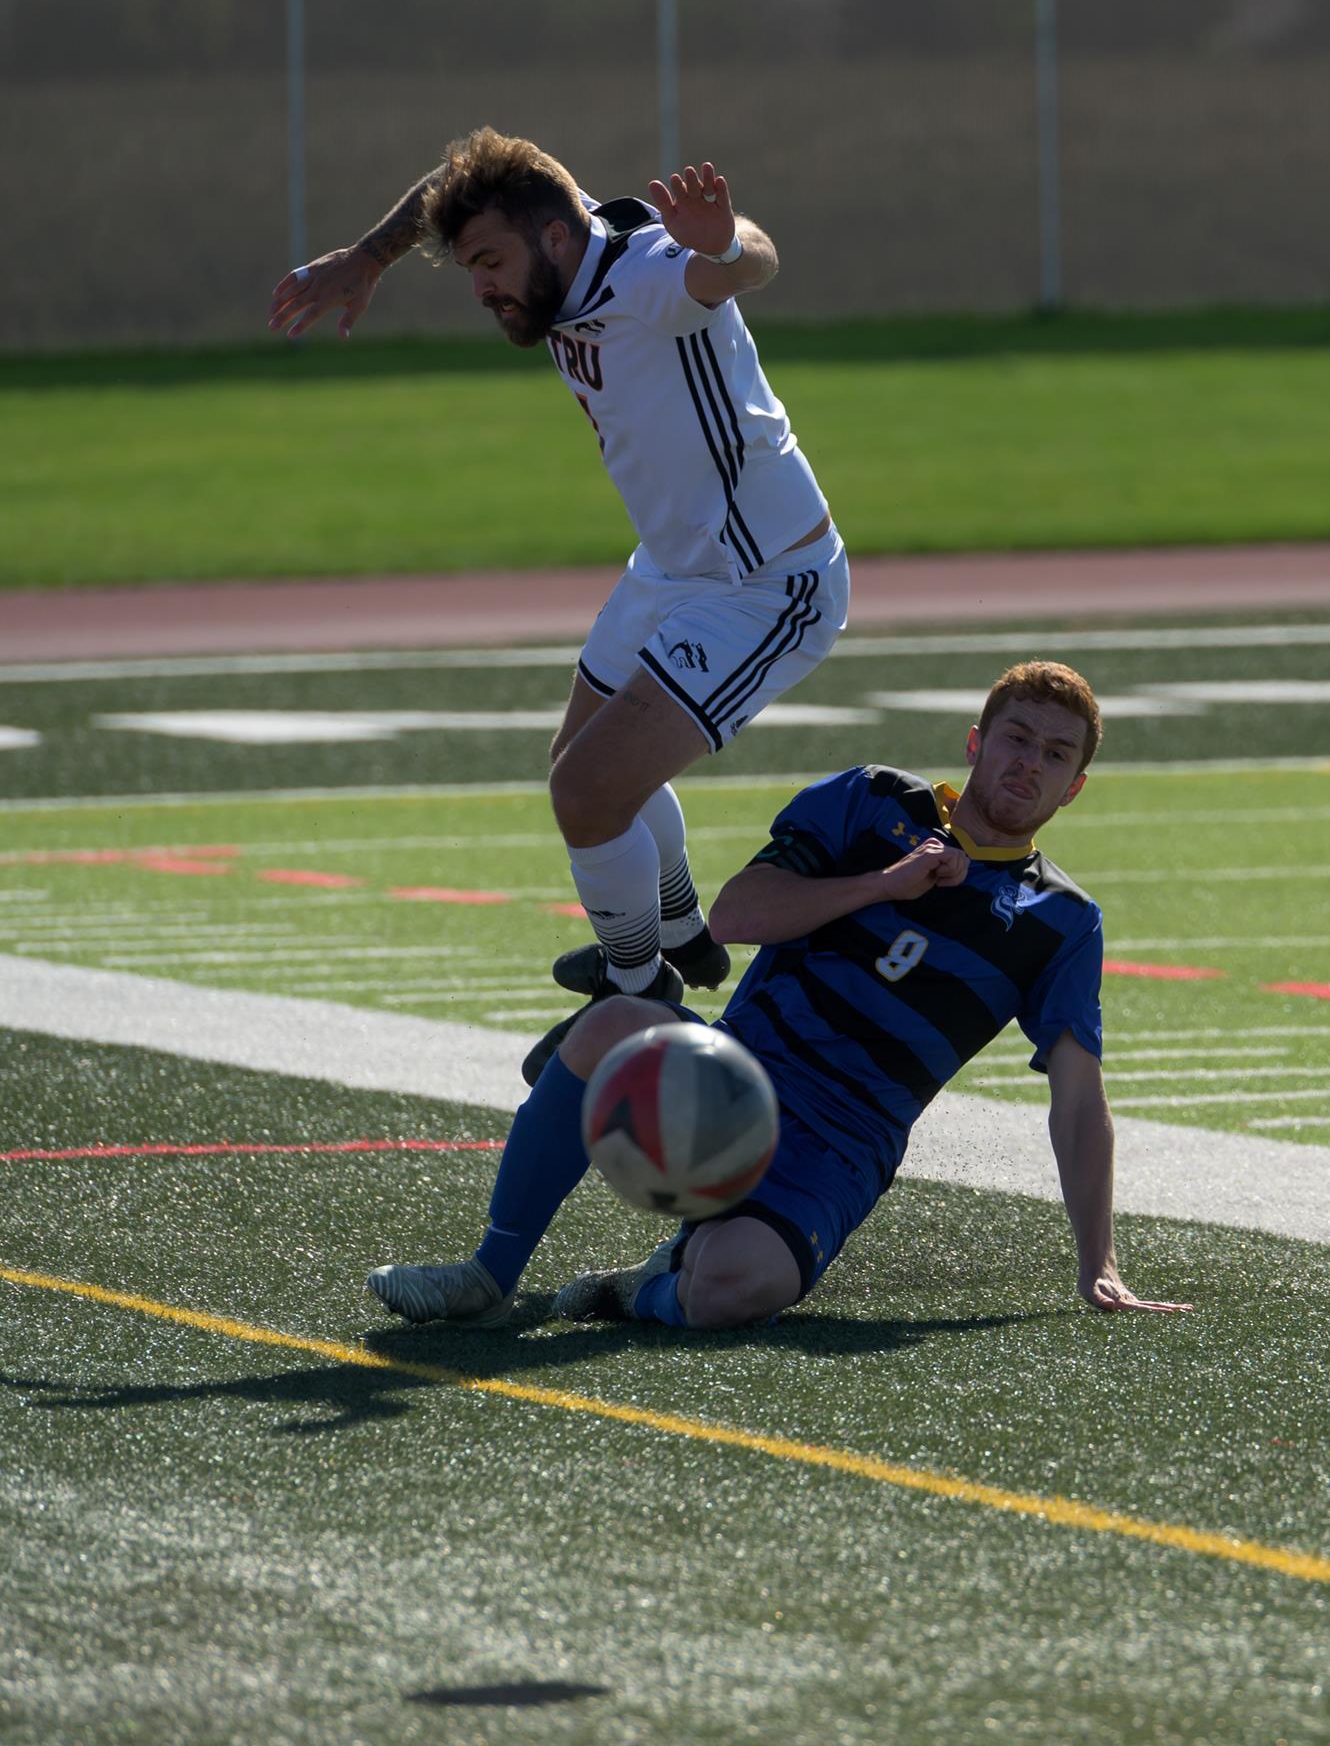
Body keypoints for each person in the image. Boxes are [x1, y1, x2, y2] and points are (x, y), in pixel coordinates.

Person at [365, 660, 1192, 1330]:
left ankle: (639, 1289)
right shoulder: (873, 801)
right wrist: (884, 885)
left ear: (1074, 786)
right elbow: (734, 916)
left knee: (731, 1289)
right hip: (731, 1074)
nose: (1030, 764)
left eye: (1056, 755)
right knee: (614, 1022)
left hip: (842, 1144)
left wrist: (1100, 1265)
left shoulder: (1063, 921)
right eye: (1017, 739)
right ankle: (489, 1274)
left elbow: (1079, 1101)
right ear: (976, 743)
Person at [269, 132, 849, 1081]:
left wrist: (721, 247)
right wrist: (367, 256)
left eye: (491, 265)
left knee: (586, 795)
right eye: (469, 269)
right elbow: (454, 187)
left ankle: (638, 987)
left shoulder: (658, 270)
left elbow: (747, 262)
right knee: (579, 770)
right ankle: (680, 931)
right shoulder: (566, 233)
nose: (481, 288)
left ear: (556, 237)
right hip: (672, 569)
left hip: (766, 582)